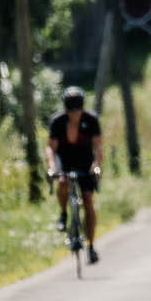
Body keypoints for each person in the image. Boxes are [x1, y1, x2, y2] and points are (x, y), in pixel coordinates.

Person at [47, 82, 102, 263]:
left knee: (88, 200)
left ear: (82, 108)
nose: (74, 114)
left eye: (77, 110)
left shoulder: (91, 120)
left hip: (85, 160)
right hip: (65, 160)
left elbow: (98, 147)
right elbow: (51, 149)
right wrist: (52, 167)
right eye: (71, 110)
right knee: (63, 182)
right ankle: (63, 213)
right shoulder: (57, 122)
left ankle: (91, 246)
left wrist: (96, 166)